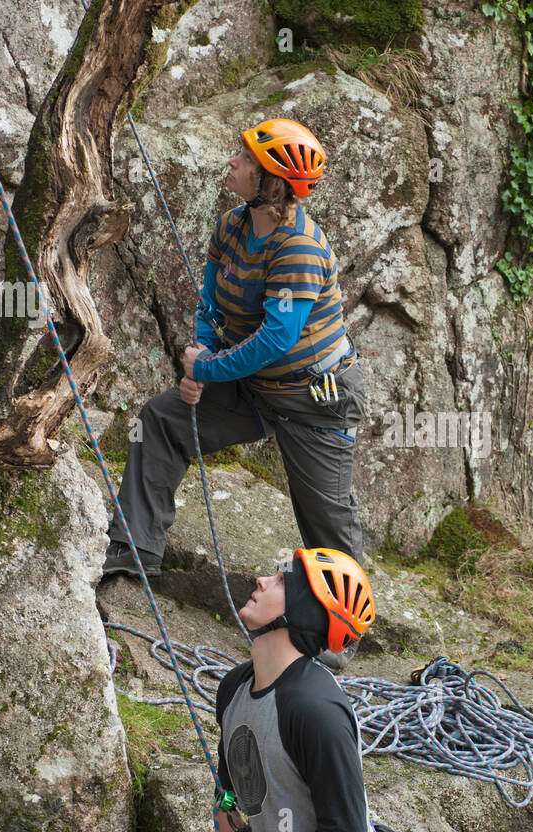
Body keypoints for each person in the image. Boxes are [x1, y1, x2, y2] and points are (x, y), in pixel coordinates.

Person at [103, 117, 368, 669]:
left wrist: (213, 369)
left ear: (272, 181)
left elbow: (276, 338)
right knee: (161, 420)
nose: (233, 163)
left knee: (326, 521)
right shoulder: (232, 226)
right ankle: (132, 558)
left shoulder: (298, 248)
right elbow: (210, 302)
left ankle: (331, 643)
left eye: (245, 159)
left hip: (314, 398)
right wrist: (199, 358)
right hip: (251, 383)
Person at [210, 547, 379, 832]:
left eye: (281, 581)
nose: (260, 581)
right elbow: (227, 792)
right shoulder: (234, 687)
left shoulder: (315, 710)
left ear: (305, 611)